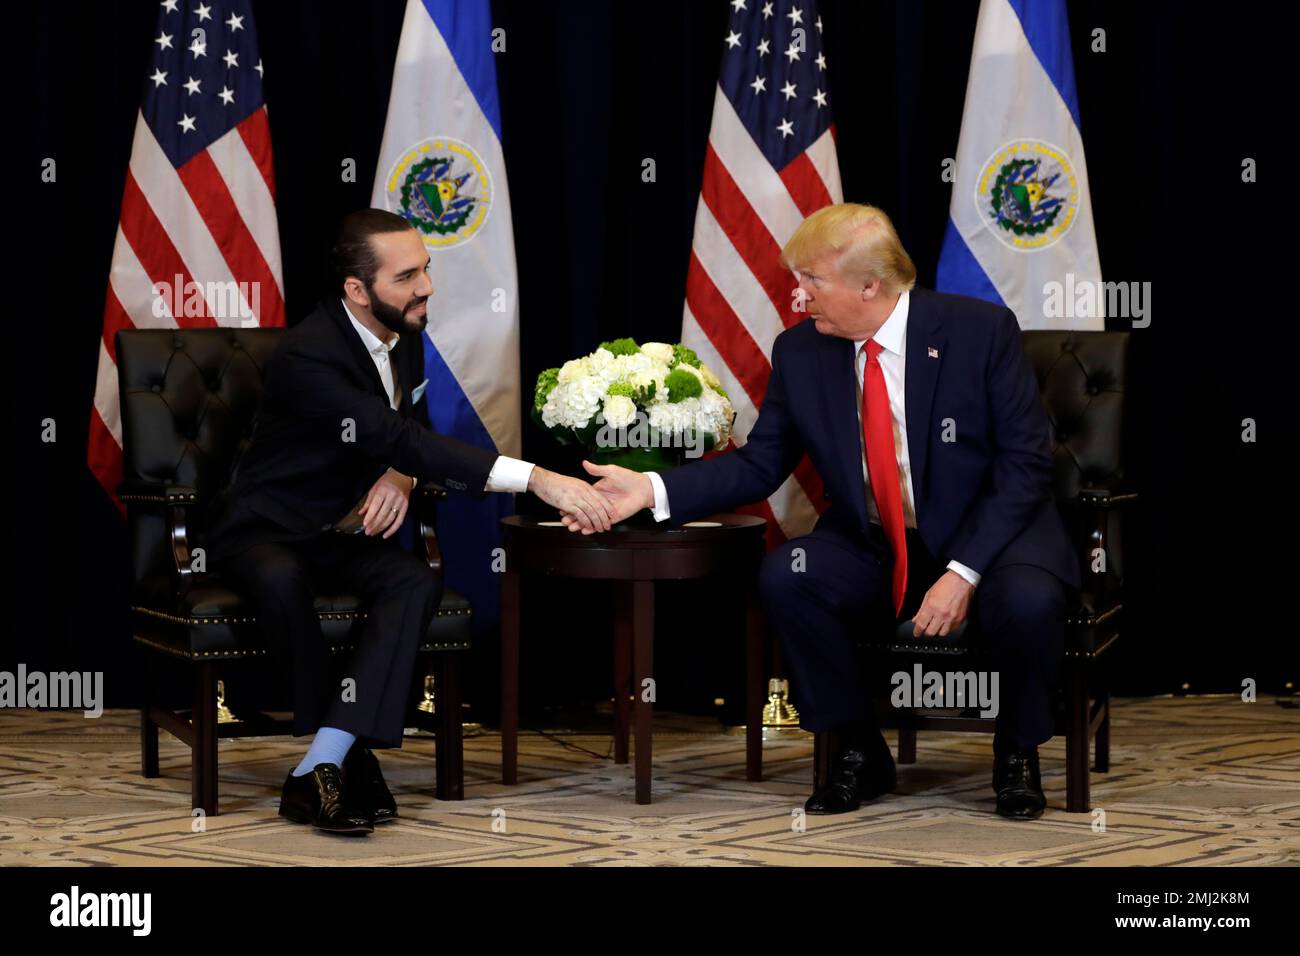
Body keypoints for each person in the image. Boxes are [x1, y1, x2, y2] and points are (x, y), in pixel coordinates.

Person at [575, 203, 1080, 820]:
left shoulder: (980, 332)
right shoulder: (801, 352)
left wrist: (963, 572)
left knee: (1028, 602)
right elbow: (761, 464)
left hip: (991, 538)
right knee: (790, 576)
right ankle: (857, 747)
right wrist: (652, 490)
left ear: (870, 285)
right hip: (874, 540)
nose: (798, 295)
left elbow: (1025, 467)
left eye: (812, 280)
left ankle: (1017, 752)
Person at [205, 209, 613, 835]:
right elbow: (394, 432)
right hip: (267, 529)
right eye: (407, 276)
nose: (426, 287)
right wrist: (538, 479)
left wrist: (398, 475)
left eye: (426, 268)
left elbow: (409, 436)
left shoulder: (407, 334)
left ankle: (319, 765)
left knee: (414, 582)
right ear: (357, 291)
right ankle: (344, 757)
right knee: (282, 580)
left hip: (341, 534)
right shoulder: (309, 355)